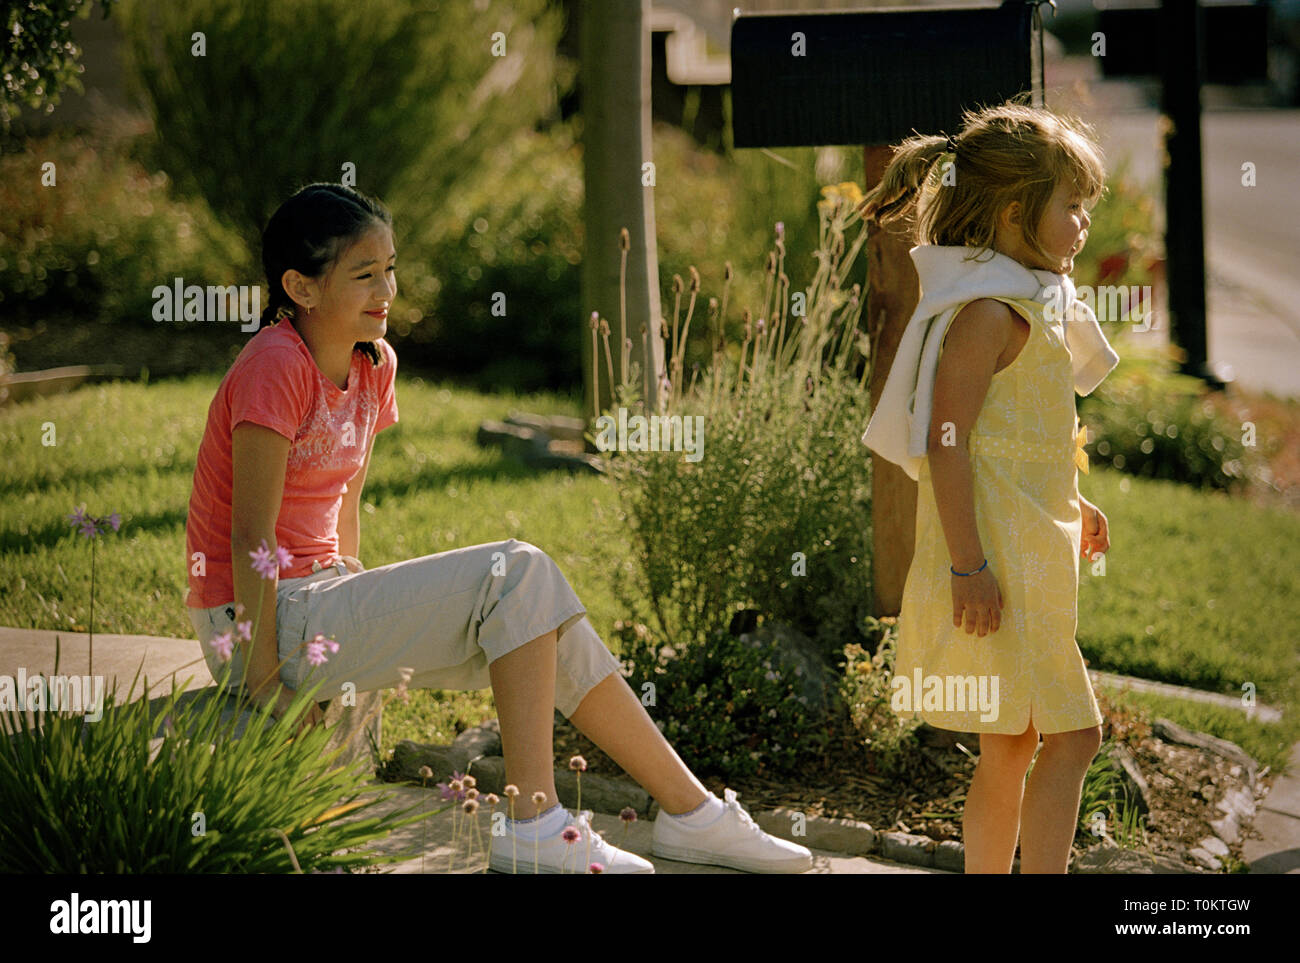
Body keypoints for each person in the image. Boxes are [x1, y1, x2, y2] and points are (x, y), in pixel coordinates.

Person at [183, 182, 811, 875]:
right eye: (364, 274)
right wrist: (269, 680)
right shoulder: (275, 365)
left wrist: (360, 597)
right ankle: (534, 820)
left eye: (390, 268)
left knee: (546, 618)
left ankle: (690, 812)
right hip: (253, 621)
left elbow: (343, 505)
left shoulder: (373, 362)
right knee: (518, 570)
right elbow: (251, 537)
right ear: (300, 285)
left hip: (322, 599)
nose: (385, 288)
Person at [859, 102, 1120, 874]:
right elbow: (948, 443)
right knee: (1075, 736)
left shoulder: (1031, 303)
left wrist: (1079, 502)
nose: (1083, 224)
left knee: (1011, 740)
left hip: (1032, 552)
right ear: (1013, 212)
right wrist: (967, 565)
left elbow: (1023, 435)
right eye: (1070, 206)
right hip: (999, 562)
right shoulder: (987, 314)